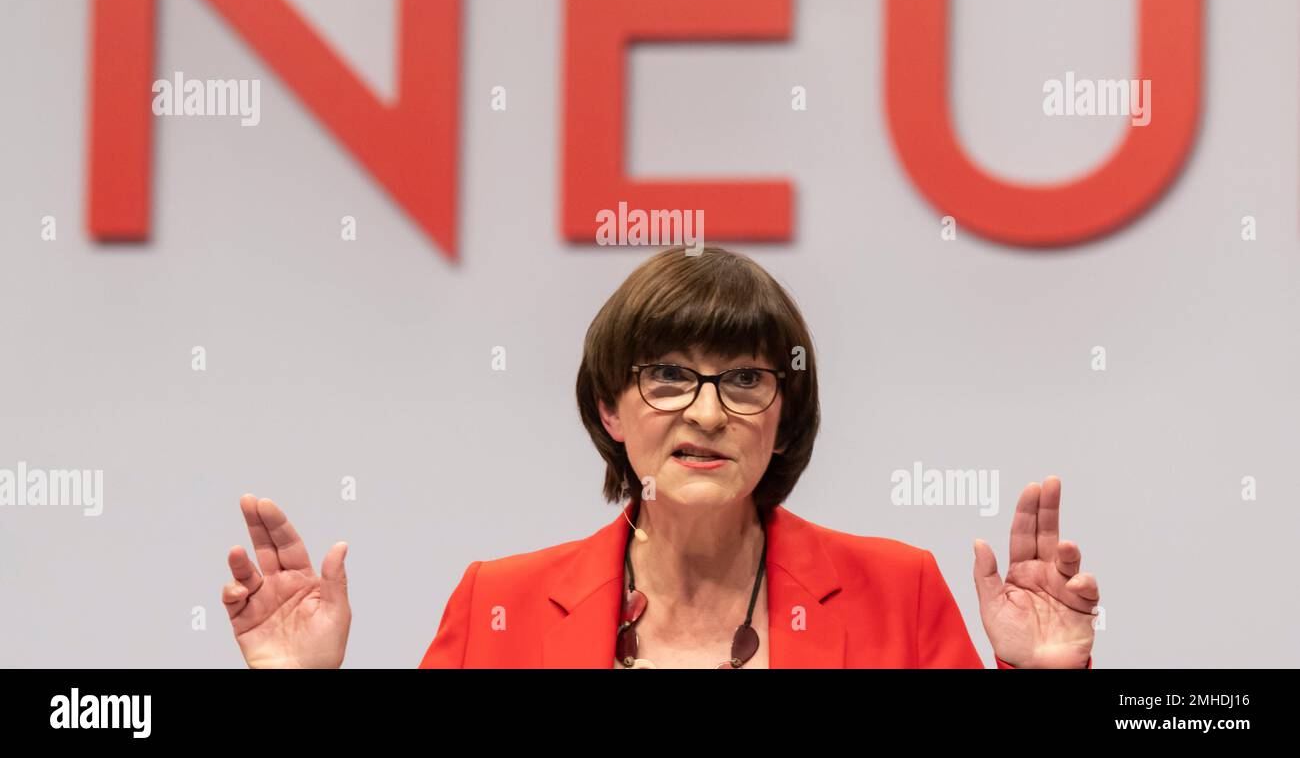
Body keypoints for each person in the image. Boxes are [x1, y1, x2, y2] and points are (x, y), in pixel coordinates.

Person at [221, 246, 1099, 668]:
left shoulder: (896, 592)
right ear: (609, 407)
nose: (708, 412)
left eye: (746, 379)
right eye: (670, 376)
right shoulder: (502, 604)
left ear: (784, 419)